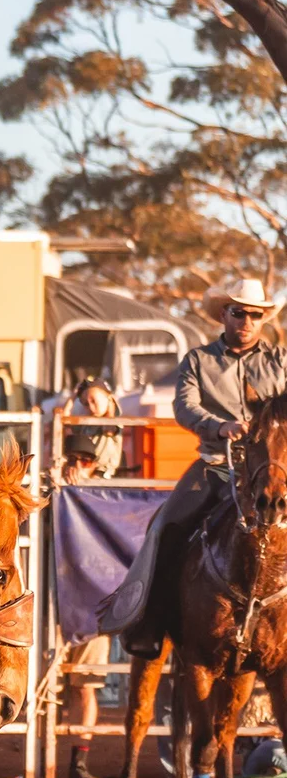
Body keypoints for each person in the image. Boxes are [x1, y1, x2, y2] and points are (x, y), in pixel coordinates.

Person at [100, 278, 287, 655]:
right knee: (166, 525)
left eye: (255, 314)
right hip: (216, 466)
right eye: (239, 313)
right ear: (224, 314)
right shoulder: (199, 361)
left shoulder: (279, 362)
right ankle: (148, 621)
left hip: (272, 471)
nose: (247, 321)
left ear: (264, 319)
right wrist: (220, 426)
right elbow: (184, 407)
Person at [59, 385, 124, 778]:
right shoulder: (54, 493)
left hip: (90, 601)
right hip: (56, 600)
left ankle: (77, 762)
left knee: (84, 686)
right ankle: (45, 754)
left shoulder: (105, 497)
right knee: (61, 684)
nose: (78, 465)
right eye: (73, 458)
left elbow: (112, 423)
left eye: (86, 458)